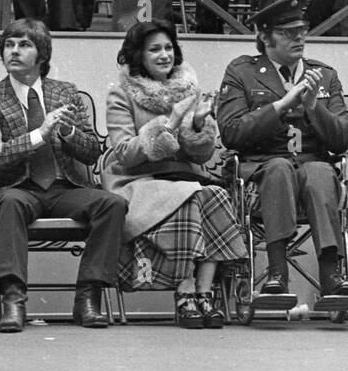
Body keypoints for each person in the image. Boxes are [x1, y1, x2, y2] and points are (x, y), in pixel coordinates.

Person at [0, 18, 127, 333]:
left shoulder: (66, 93)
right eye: (9, 45)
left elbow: (91, 152)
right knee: (11, 203)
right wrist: (39, 135)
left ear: (42, 55)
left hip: (63, 188)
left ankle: (89, 298)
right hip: (13, 188)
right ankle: (13, 301)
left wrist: (68, 132)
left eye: (24, 45)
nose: (14, 51)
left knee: (113, 204)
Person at [103, 20, 247, 328]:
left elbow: (202, 155)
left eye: (169, 48)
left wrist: (198, 124)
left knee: (216, 195)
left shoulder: (189, 89)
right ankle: (185, 293)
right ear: (138, 55)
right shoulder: (120, 94)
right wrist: (170, 123)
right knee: (188, 196)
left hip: (184, 178)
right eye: (155, 49)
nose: (164, 55)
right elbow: (124, 153)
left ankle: (205, 294)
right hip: (138, 182)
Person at [215, 0, 348, 297]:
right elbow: (231, 132)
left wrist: (313, 107)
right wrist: (281, 106)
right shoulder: (242, 72)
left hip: (310, 168)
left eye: (302, 29)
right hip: (262, 169)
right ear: (265, 37)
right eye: (288, 32)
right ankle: (277, 272)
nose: (299, 37)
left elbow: (342, 139)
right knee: (279, 168)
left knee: (320, 171)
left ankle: (331, 274)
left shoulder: (324, 75)